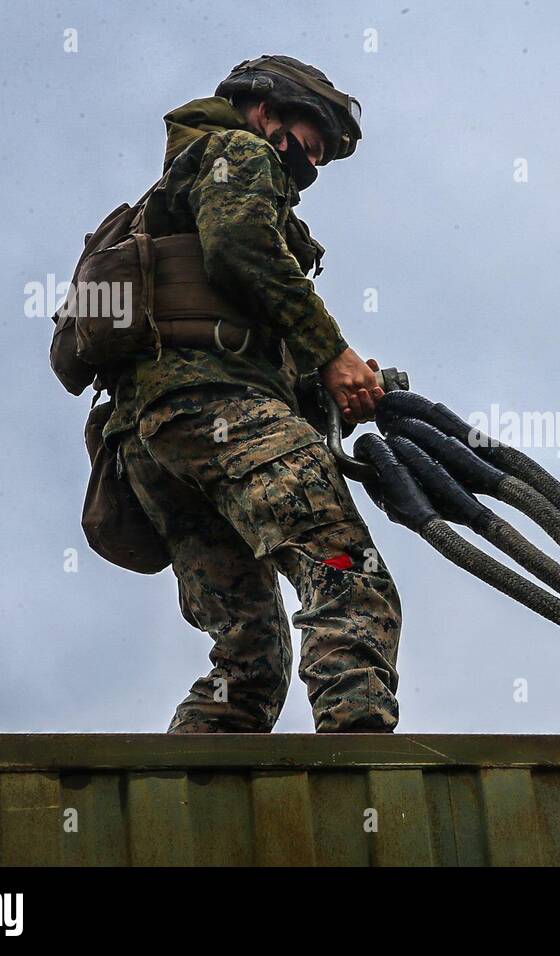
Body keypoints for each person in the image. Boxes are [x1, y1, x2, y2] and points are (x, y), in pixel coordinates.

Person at [101, 55, 401, 733]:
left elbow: (223, 314)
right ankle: (366, 783)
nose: (311, 168)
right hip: (220, 414)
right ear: (268, 111)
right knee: (347, 571)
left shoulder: (178, 188)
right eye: (310, 144)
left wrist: (336, 380)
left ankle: (189, 803)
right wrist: (332, 352)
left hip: (156, 444)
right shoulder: (237, 148)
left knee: (251, 655)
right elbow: (240, 246)